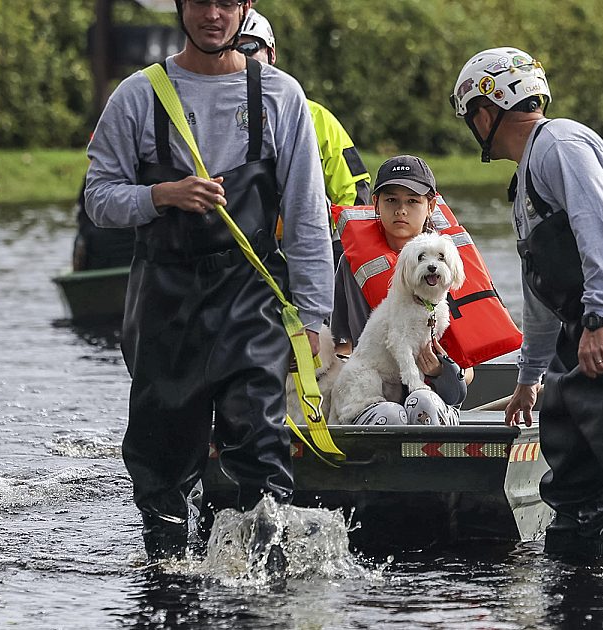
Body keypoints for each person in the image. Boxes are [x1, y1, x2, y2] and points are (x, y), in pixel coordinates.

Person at [84, 0, 332, 561]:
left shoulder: (280, 95)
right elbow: (99, 199)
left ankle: (261, 592)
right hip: (164, 302)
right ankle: (169, 583)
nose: (212, 15)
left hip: (251, 298)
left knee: (264, 455)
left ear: (245, 9)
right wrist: (161, 196)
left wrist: (314, 320)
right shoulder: (138, 95)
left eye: (226, 2)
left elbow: (308, 217)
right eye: (199, 1)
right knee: (162, 466)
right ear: (180, 7)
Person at [451, 48, 603, 573]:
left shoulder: (560, 144)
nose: (473, 125)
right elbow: (540, 291)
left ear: (488, 109)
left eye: (472, 112)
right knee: (575, 495)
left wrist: (599, 317)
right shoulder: (526, 179)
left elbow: (599, 229)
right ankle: (576, 600)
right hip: (583, 331)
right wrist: (529, 376)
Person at [330, 155, 467, 426]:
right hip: (377, 393)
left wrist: (440, 370)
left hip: (435, 395)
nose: (401, 210)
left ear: (431, 206)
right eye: (391, 200)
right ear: (376, 205)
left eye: (412, 201)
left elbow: (469, 368)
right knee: (390, 414)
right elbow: (341, 345)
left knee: (422, 402)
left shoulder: (450, 262)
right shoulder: (351, 262)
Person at [237, 9, 371, 262]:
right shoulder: (206, 118)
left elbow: (354, 194)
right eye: (230, 51)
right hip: (235, 258)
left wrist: (339, 254)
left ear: (271, 53)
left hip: (306, 251)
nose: (240, 60)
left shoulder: (316, 117)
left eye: (249, 49)